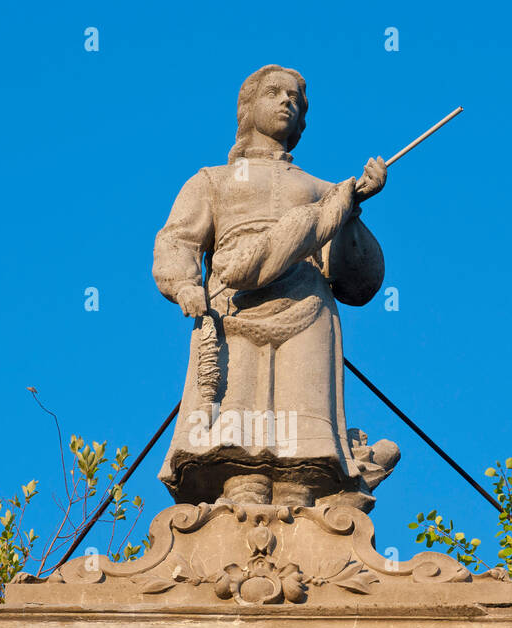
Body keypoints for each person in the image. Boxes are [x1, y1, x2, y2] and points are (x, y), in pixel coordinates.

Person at [153, 64, 395, 508]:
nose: (287, 101)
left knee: (302, 432)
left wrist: (352, 210)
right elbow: (176, 240)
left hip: (306, 310)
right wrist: (186, 285)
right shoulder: (213, 180)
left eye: (296, 98)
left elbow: (357, 282)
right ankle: (240, 497)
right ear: (248, 108)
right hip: (235, 308)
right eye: (274, 92)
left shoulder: (326, 191)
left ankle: (302, 505)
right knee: (237, 423)